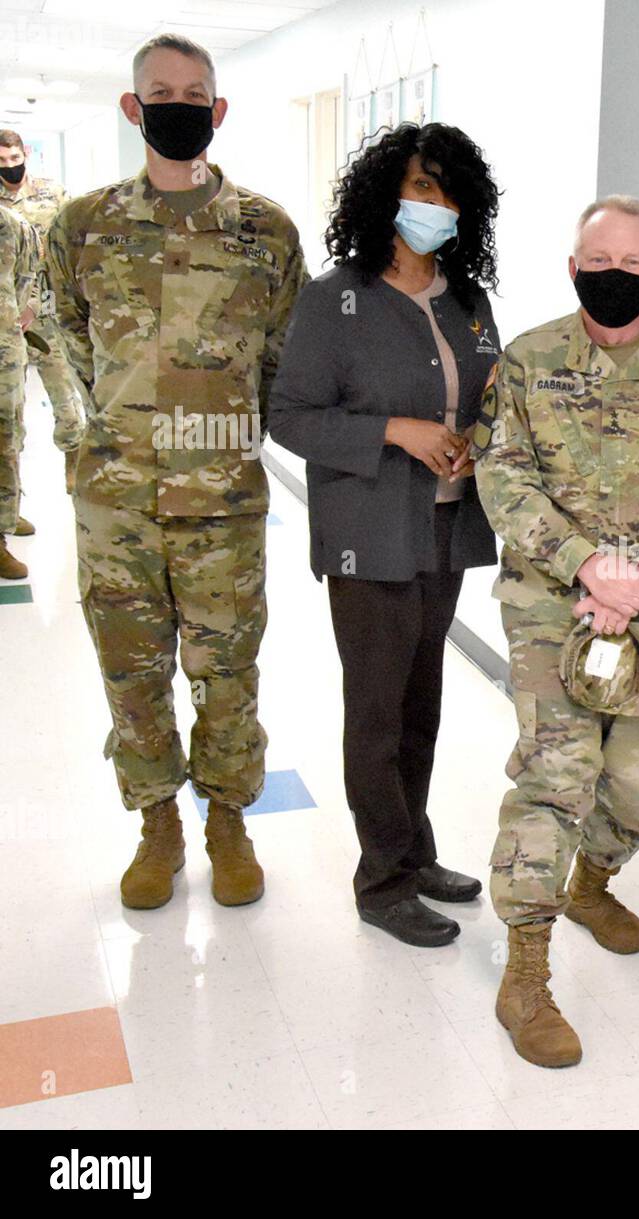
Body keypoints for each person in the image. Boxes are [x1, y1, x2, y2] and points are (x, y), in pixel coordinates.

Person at [474, 195, 639, 1067]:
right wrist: (590, 564)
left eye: (634, 265)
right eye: (600, 262)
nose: (616, 276)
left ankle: (593, 883)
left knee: (636, 778)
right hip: (553, 601)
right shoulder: (530, 359)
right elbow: (503, 474)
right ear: (574, 268)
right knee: (558, 774)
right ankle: (526, 971)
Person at [45, 34, 307, 911]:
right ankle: (157, 819)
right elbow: (69, 340)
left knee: (227, 669)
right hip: (115, 497)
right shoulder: (81, 225)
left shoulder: (267, 231)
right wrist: (119, 427)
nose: (179, 104)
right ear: (133, 107)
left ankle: (228, 819)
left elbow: (280, 357)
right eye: (162, 91)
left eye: (196, 91)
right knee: (131, 669)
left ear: (218, 110)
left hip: (224, 503)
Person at [268, 123, 501, 948]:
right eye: (416, 187)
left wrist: (476, 434)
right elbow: (290, 415)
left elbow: (491, 401)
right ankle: (382, 879)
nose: (430, 203)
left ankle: (415, 846)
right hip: (370, 530)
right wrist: (395, 430)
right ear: (383, 198)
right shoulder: (338, 298)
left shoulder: (470, 304)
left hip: (446, 526)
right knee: (375, 708)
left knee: (422, 703)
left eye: (443, 190)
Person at [0, 129, 85, 498]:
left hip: (50, 313)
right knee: (8, 413)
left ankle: (73, 462)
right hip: (8, 319)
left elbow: (74, 242)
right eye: (2, 162)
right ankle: (10, 493)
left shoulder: (53, 194)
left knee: (65, 395)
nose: (10, 167)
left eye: (15, 159)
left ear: (25, 156)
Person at [0, 203, 37, 580]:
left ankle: (0, 531)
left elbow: (28, 279)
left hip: (3, 354)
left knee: (6, 441)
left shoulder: (15, 227)